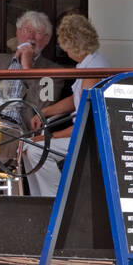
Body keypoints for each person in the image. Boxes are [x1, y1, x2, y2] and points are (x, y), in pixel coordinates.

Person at [24, 14, 108, 197]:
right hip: (84, 133)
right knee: (28, 147)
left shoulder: (92, 70)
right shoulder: (88, 64)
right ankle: (39, 199)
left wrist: (51, 136)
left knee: (35, 150)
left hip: (90, 137)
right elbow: (75, 100)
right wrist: (44, 112)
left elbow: (85, 120)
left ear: (72, 45)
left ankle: (55, 199)